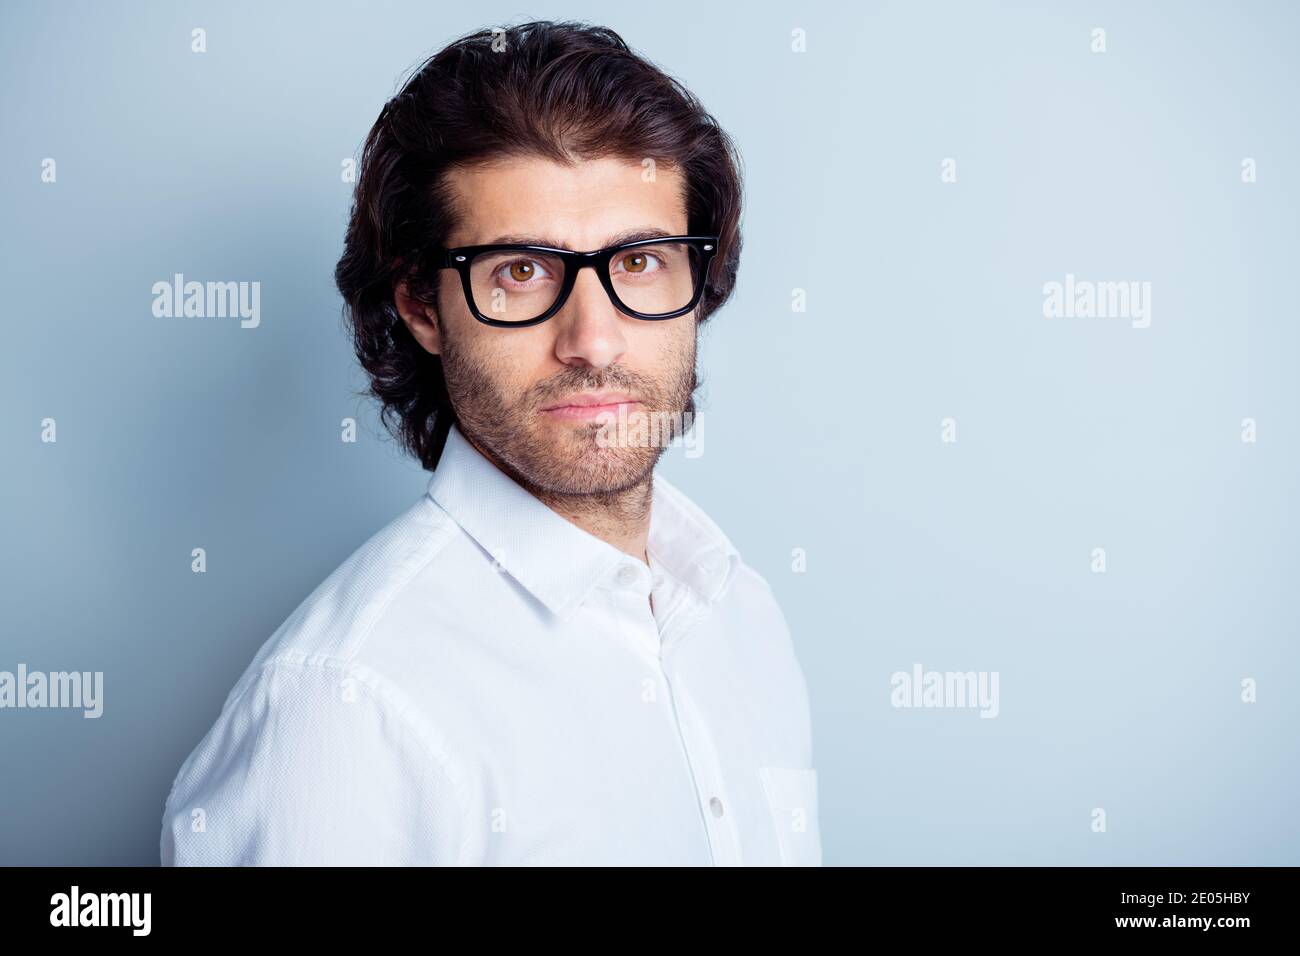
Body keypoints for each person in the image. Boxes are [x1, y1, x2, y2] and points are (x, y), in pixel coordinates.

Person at [161, 19, 820, 866]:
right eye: (519, 271)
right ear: (423, 307)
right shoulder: (344, 710)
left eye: (642, 261)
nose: (594, 340)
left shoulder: (742, 612)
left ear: (700, 282)